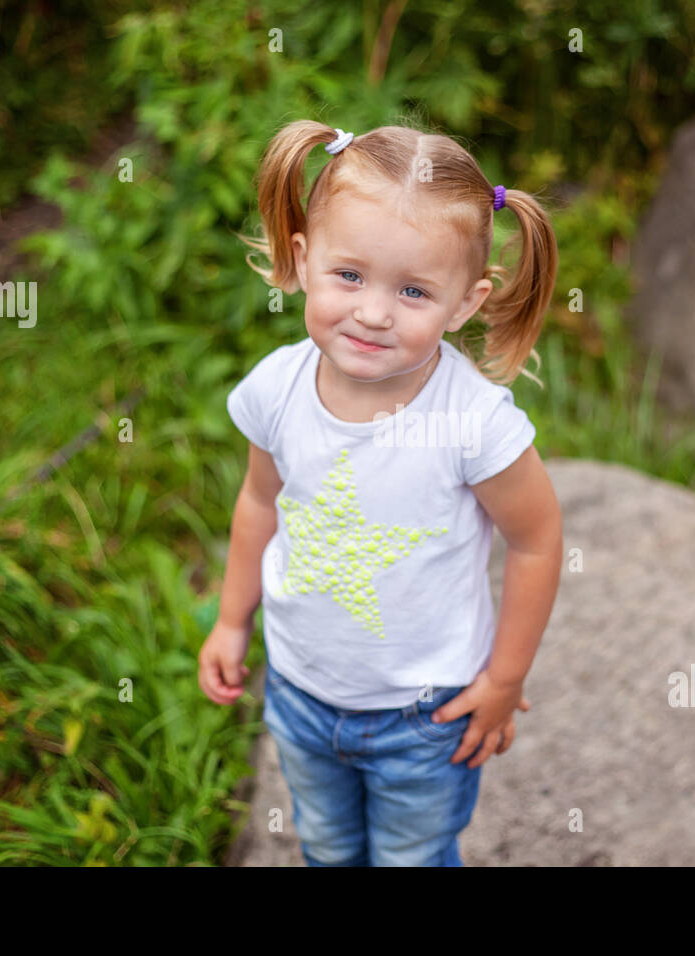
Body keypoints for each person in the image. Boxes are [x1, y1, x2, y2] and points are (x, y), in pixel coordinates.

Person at [199, 120, 563, 866]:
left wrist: (505, 677)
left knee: (413, 858)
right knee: (327, 850)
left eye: (414, 290)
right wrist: (233, 621)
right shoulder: (277, 389)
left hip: (425, 719)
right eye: (350, 275)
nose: (372, 312)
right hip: (301, 692)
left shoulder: (474, 423)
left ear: (464, 302)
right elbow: (259, 503)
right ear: (303, 260)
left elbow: (537, 540)